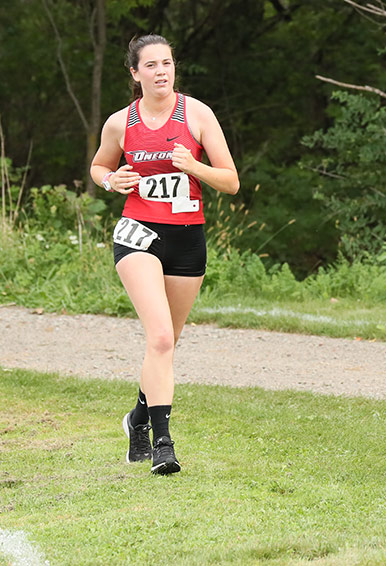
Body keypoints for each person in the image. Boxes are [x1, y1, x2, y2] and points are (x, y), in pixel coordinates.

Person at [90, 34, 239, 475]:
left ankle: (136, 417)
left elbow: (230, 181)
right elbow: (100, 164)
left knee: (167, 344)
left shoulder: (197, 114)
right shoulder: (121, 122)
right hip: (138, 231)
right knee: (158, 339)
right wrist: (108, 181)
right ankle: (163, 444)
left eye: (167, 63)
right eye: (151, 65)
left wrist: (192, 165)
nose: (161, 71)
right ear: (135, 73)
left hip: (188, 237)